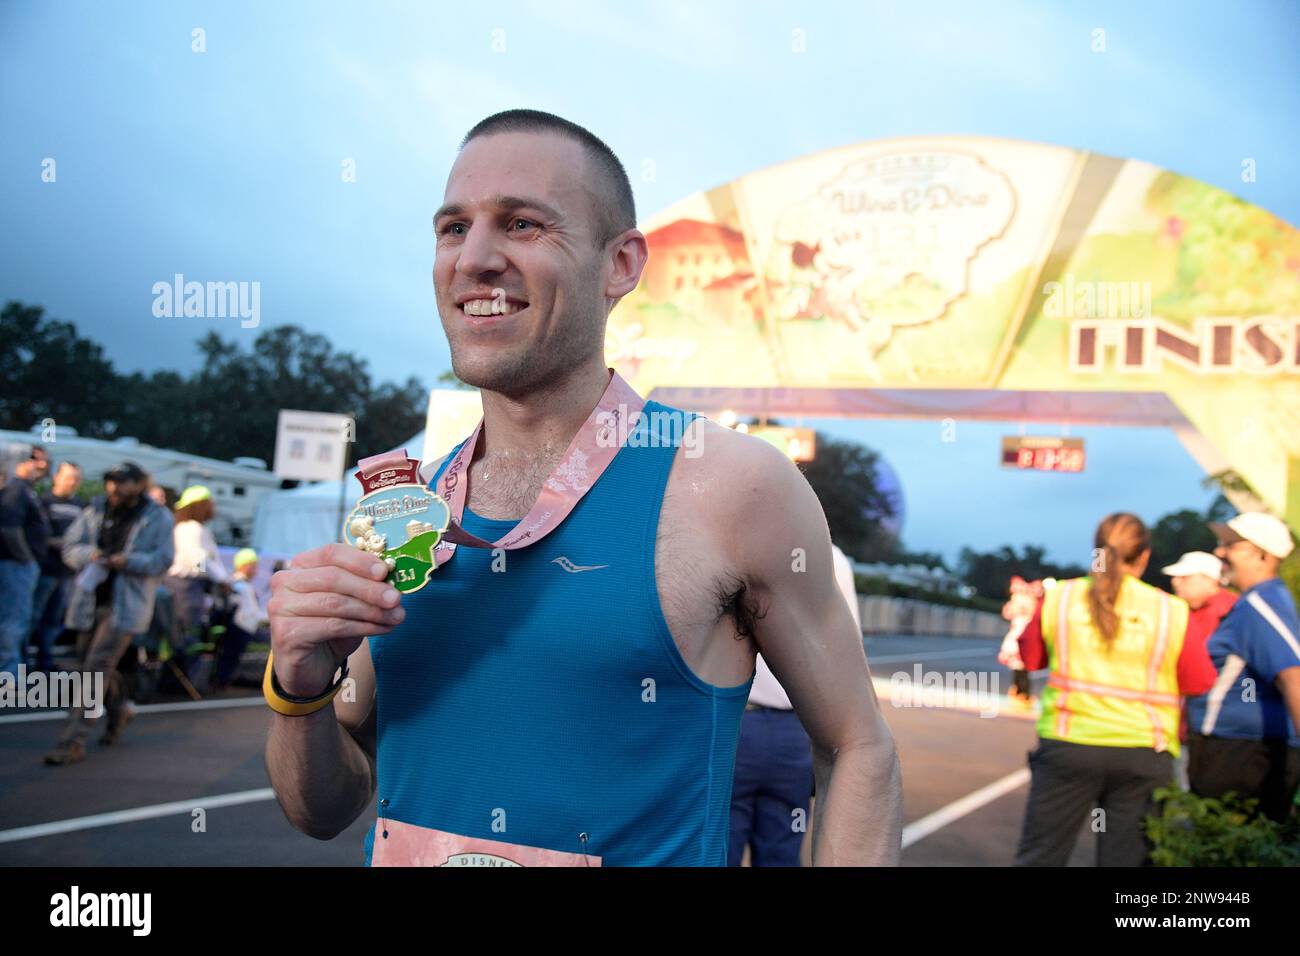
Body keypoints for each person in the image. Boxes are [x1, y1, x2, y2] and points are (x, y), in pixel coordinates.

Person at [264, 109, 902, 867]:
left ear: (621, 264)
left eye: (522, 224)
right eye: (452, 228)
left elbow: (859, 747)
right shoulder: (407, 509)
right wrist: (300, 688)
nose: (474, 259)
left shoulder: (732, 486)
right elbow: (323, 810)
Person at [1014, 512, 1217, 866]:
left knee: (1040, 857)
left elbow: (1030, 658)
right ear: (1145, 557)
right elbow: (1199, 682)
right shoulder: (1171, 610)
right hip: (1143, 752)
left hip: (1069, 745)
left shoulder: (1061, 598)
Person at [729, 542, 862, 866]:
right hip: (797, 729)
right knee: (782, 849)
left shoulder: (731, 538)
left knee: (718, 847)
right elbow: (847, 652)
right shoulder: (831, 556)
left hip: (734, 723)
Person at [44, 462, 174, 765]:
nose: (114, 487)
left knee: (95, 669)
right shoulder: (95, 510)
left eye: (122, 481)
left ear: (139, 484)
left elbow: (162, 559)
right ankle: (120, 710)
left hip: (126, 605)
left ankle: (72, 740)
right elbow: (70, 546)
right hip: (90, 600)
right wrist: (88, 555)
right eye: (110, 481)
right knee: (93, 666)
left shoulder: (157, 517)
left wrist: (126, 561)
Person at [1186, 512, 1300, 822]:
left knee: (1224, 846)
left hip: (1240, 755)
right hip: (1239, 750)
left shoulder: (1261, 604)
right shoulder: (1257, 600)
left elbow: (1293, 675)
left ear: (1262, 556)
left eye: (1231, 545)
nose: (1220, 552)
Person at [1161, 550, 1235, 787]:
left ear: (1210, 581)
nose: (1175, 581)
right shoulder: (1189, 610)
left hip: (1214, 729)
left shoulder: (1226, 612)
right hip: (1194, 726)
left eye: (1184, 577)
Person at [0, 445, 51, 678]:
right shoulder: (15, 490)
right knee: (14, 620)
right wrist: (26, 558)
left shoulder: (23, 489)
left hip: (18, 565)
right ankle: (8, 675)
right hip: (15, 565)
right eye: (32, 460)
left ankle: (15, 670)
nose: (37, 465)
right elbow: (9, 528)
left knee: (18, 619)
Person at [30, 461, 84, 672]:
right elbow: (38, 536)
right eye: (69, 477)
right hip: (46, 569)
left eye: (76, 478)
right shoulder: (44, 502)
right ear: (56, 477)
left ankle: (45, 660)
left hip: (68, 573)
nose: (72, 482)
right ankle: (22, 662)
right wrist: (60, 543)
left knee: (54, 619)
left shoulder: (80, 505)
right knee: (33, 617)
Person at [164, 485, 230, 653]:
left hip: (189, 585)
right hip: (185, 586)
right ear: (200, 505)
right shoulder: (190, 528)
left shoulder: (191, 528)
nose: (213, 508)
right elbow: (198, 559)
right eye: (210, 503)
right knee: (188, 633)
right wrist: (219, 578)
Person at [213, 547, 266, 690]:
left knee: (229, 657)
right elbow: (251, 612)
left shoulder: (234, 583)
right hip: (242, 627)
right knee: (231, 657)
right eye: (254, 565)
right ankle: (222, 682)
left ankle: (222, 681)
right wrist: (266, 619)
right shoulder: (242, 586)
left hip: (238, 626)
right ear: (245, 566)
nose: (256, 569)